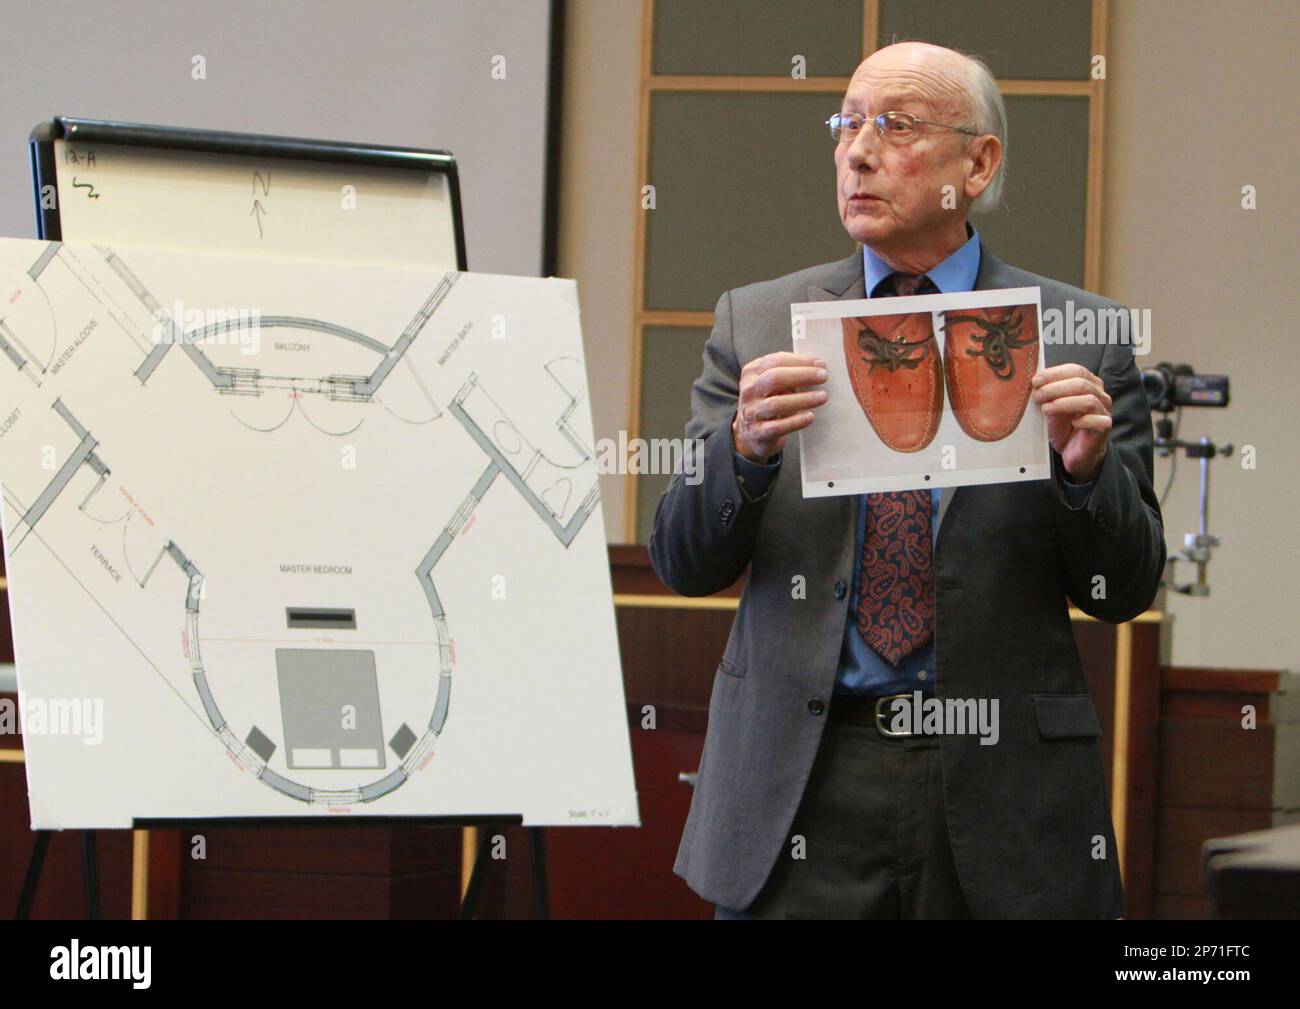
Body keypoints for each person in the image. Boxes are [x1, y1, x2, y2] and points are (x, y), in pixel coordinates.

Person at [648, 41, 1165, 919]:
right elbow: (683, 561)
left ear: (978, 163)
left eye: (895, 126)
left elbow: (1124, 590)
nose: (857, 152)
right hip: (801, 782)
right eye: (846, 124)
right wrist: (743, 449)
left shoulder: (1081, 333)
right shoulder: (759, 323)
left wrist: (1088, 474)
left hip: (1001, 790)